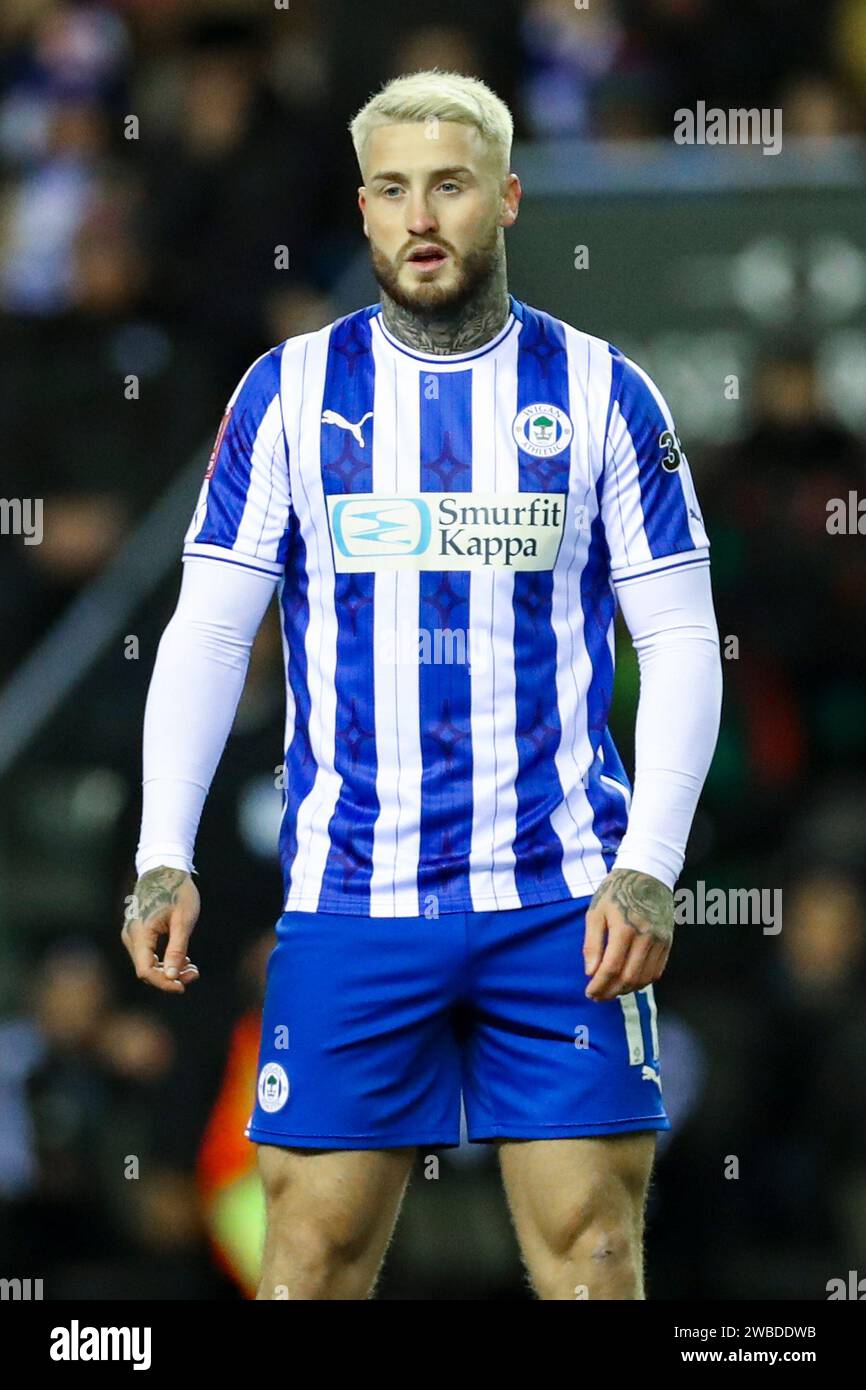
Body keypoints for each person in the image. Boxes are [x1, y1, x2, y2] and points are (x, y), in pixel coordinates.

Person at [123, 70, 722, 1301]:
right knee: (307, 1258)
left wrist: (648, 865)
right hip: (353, 895)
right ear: (361, 209)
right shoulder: (286, 393)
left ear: (505, 198)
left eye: (449, 185)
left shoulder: (602, 391)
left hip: (562, 900)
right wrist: (161, 852)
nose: (420, 217)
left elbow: (677, 638)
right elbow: (207, 632)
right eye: (391, 190)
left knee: (595, 1253)